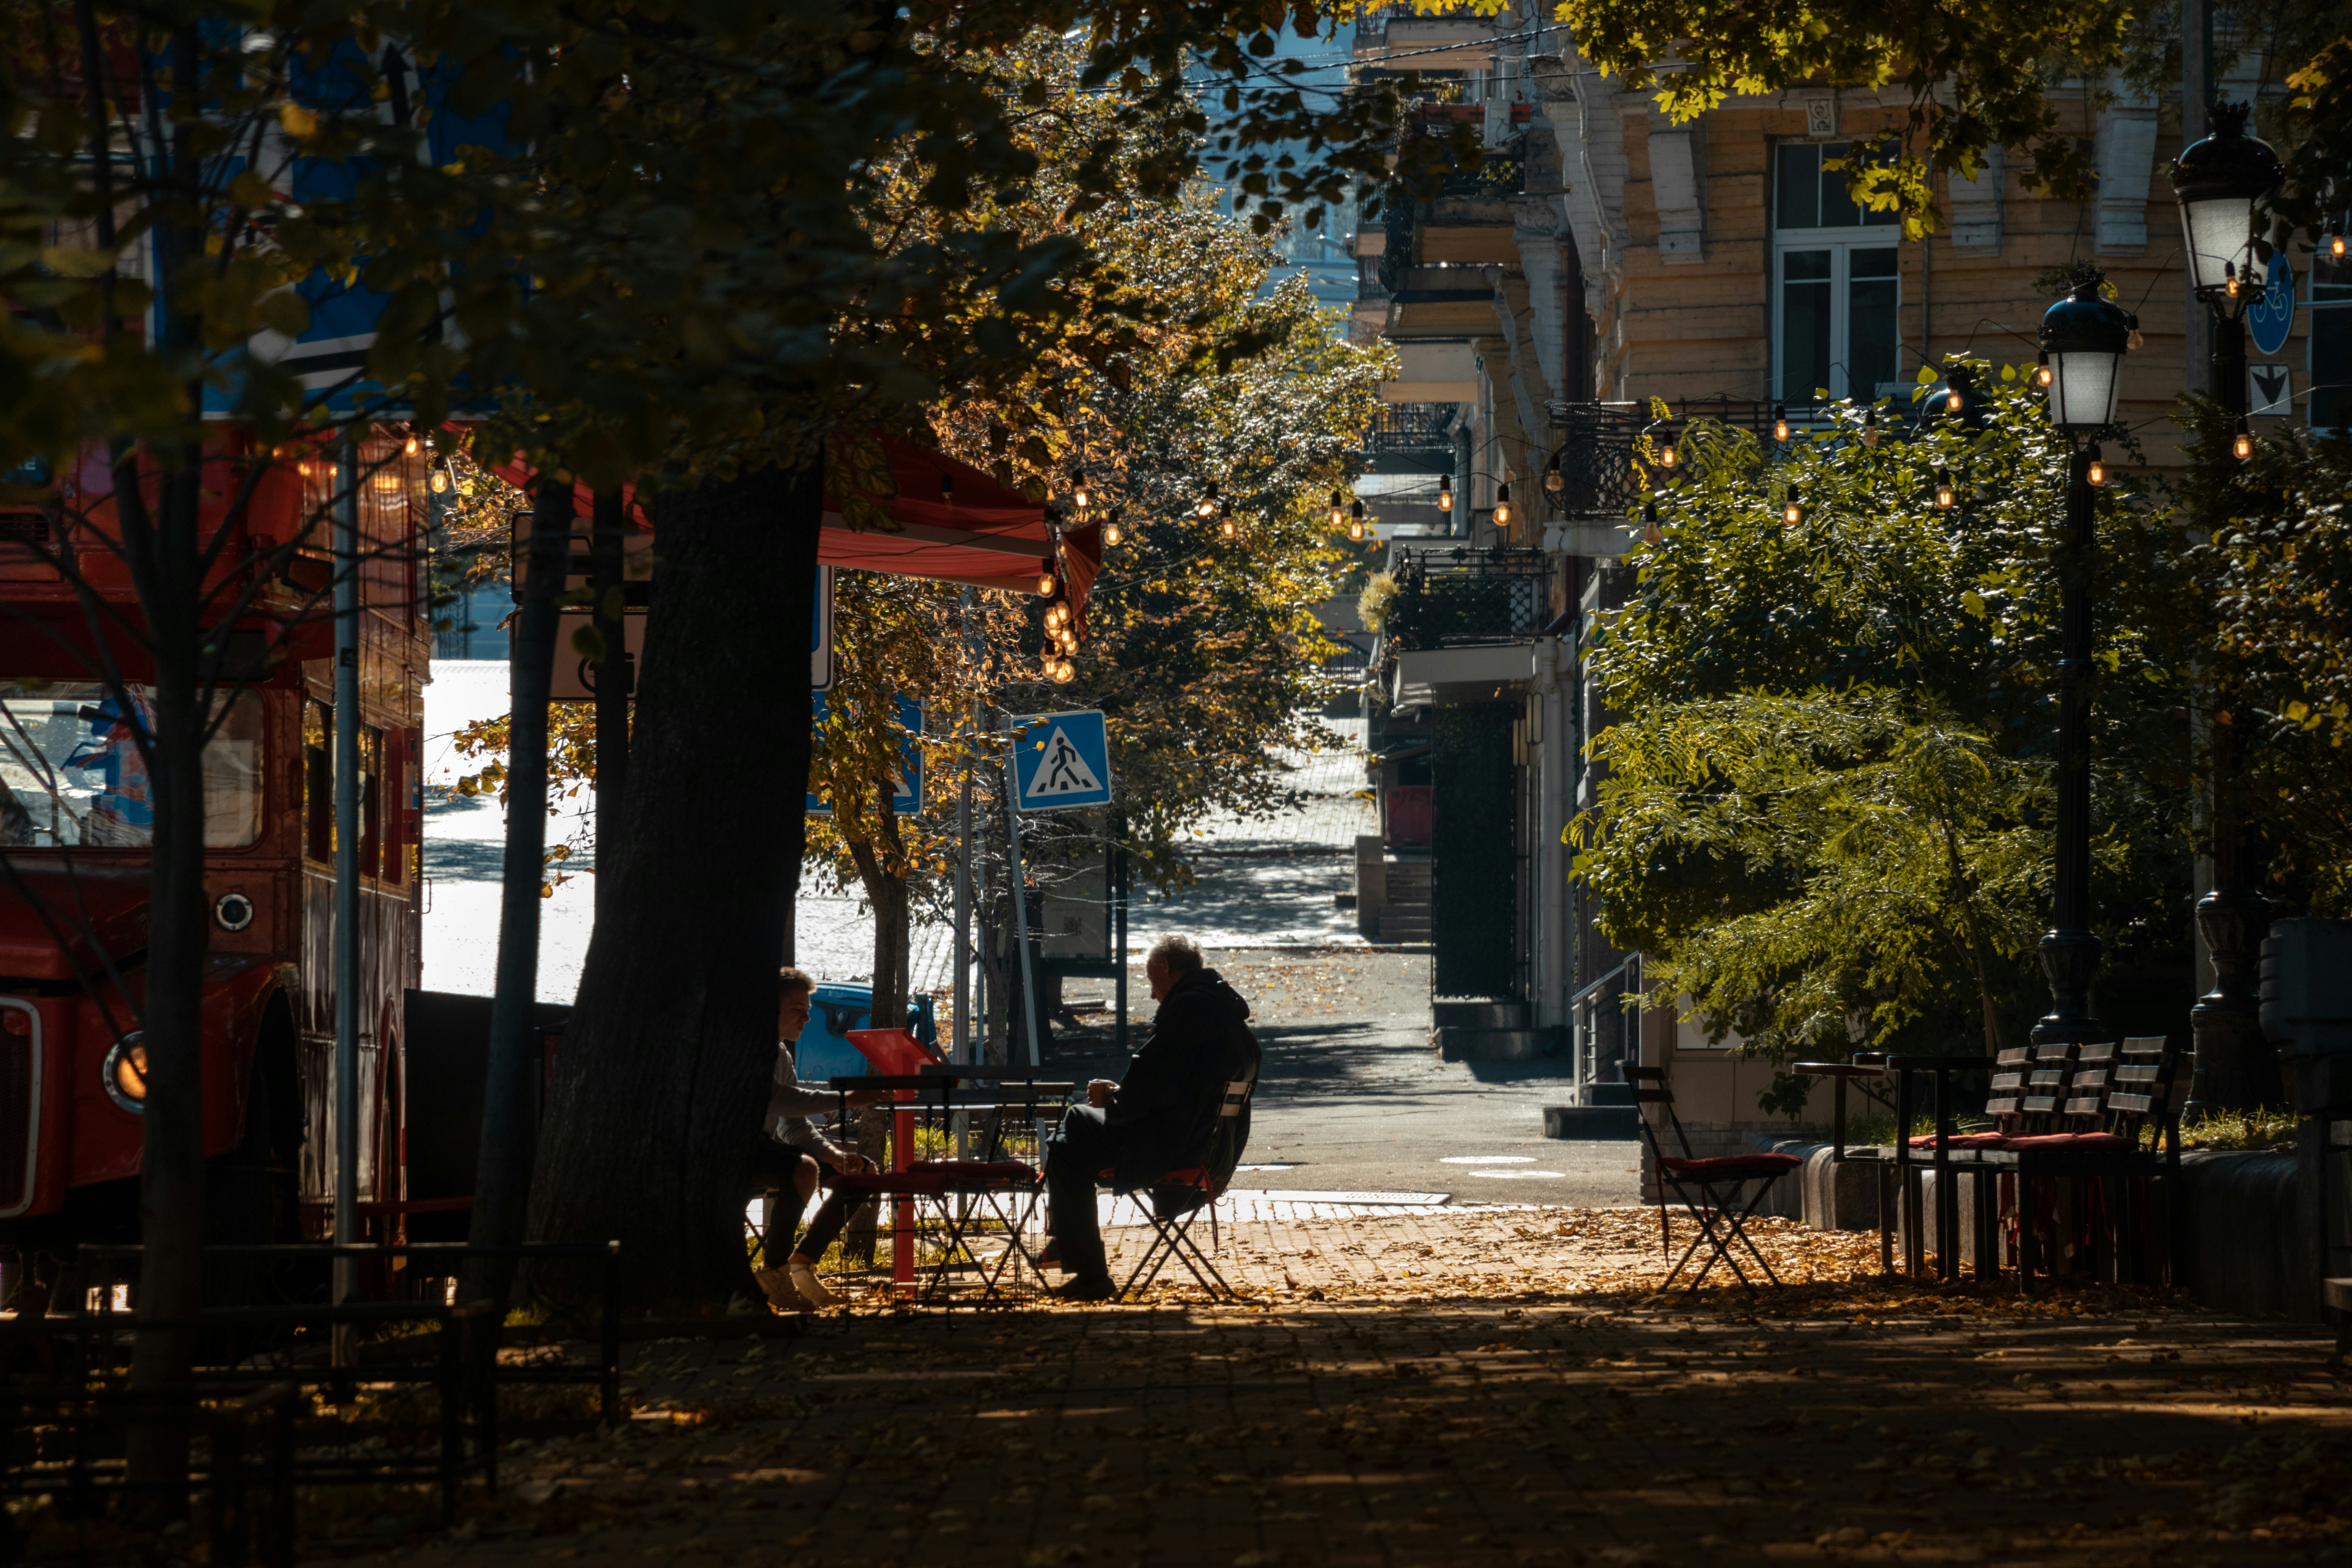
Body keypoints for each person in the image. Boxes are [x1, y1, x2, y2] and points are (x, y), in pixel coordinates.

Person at [1041, 933, 1259, 1301]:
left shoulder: (1189, 1012)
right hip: (1208, 1147)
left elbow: (1154, 1088)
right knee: (1070, 1148)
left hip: (1174, 1146)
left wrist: (1113, 1098)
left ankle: (1078, 1256)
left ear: (1165, 969)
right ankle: (1072, 1247)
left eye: (1150, 978)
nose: (1152, 991)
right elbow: (1173, 1085)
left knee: (1075, 1122)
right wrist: (1122, 1097)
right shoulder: (1225, 1015)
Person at [751, 968, 884, 1311]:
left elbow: (793, 1125)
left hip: (767, 1147)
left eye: (809, 1009)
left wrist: (833, 1154)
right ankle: (774, 1272)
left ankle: (803, 1263)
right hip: (736, 1149)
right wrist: (845, 1100)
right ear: (770, 1008)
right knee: (802, 1170)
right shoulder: (750, 1050)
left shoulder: (781, 1054)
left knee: (863, 1173)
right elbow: (778, 1099)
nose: (809, 1018)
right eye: (799, 1009)